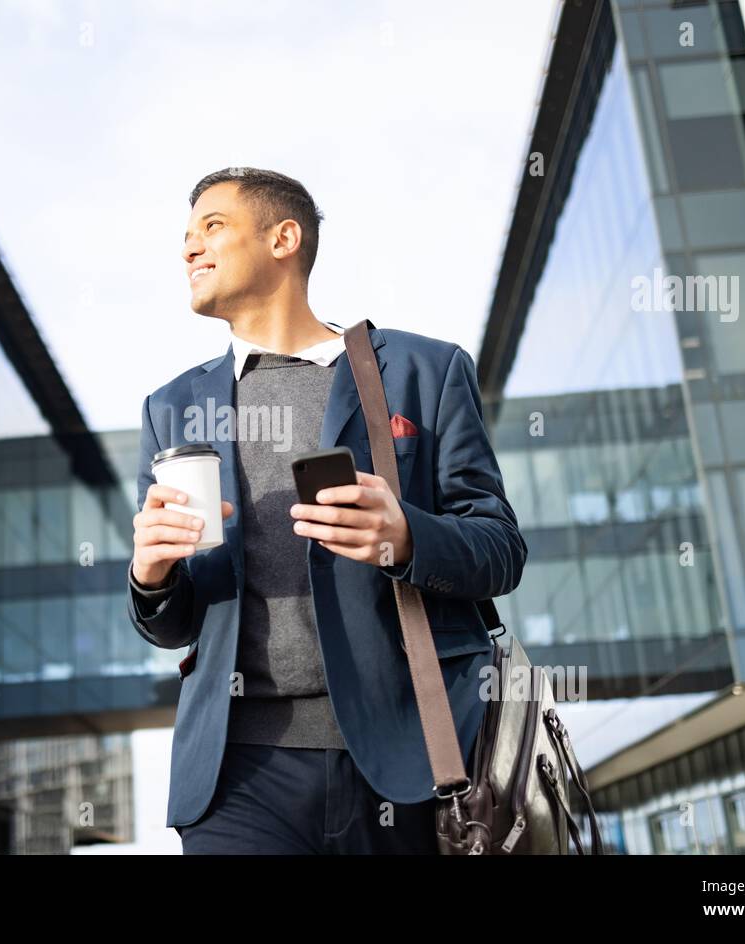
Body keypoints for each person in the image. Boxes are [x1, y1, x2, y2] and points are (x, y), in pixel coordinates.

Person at [128, 167, 526, 854]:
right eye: (185, 236)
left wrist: (407, 537)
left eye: (212, 227)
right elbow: (172, 625)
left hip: (408, 758)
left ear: (284, 238)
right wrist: (151, 578)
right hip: (236, 778)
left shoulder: (422, 372)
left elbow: (499, 548)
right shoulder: (170, 408)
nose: (189, 248)